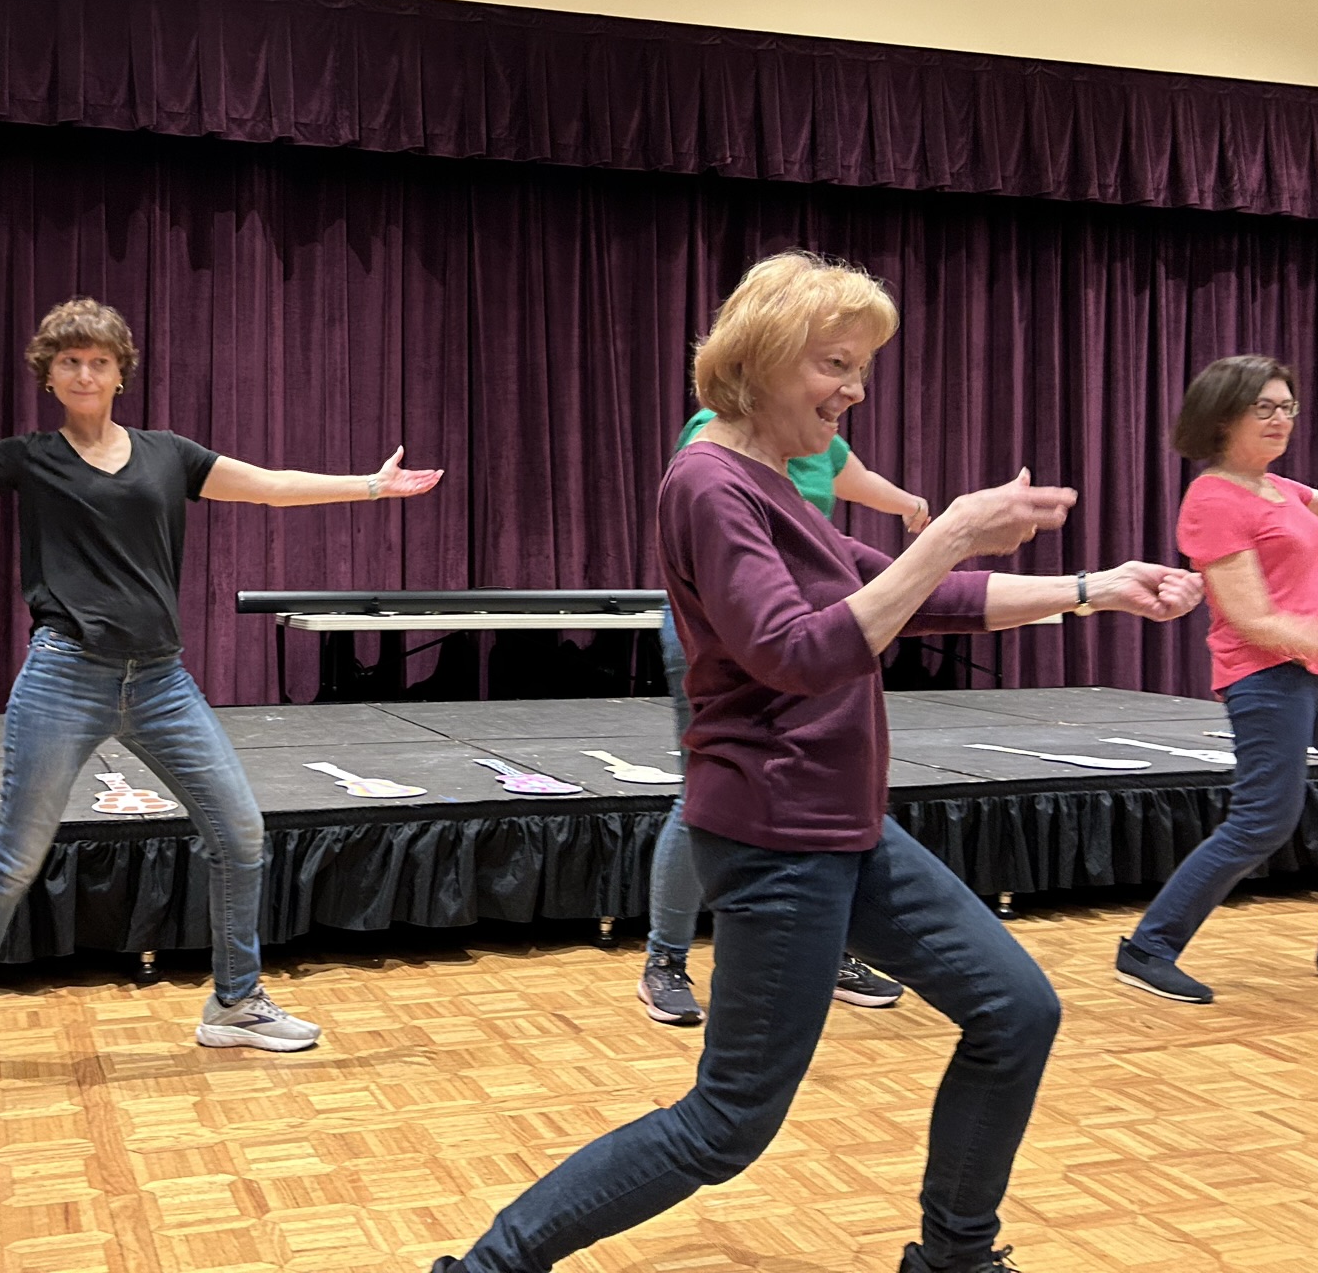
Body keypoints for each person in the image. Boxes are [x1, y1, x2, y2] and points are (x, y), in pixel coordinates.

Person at [429, 251, 1203, 1273]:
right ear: (757, 358)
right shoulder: (707, 484)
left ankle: (954, 1259)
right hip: (774, 836)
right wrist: (950, 538)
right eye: (834, 363)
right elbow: (794, 653)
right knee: (725, 1123)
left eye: (862, 370)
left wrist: (1095, 586)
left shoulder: (773, 487)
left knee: (1014, 1012)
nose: (852, 390)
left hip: (841, 826)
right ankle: (483, 1269)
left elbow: (927, 599)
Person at [0, 302, 442, 1090]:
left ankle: (235, 1005)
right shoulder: (29, 457)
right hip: (64, 674)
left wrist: (372, 488)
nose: (85, 373)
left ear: (120, 372)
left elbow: (271, 488)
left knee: (242, 835)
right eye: (70, 362)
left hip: (160, 681)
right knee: (15, 856)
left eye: (99, 362)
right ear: (47, 375)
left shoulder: (166, 455)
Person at [1117, 356, 1318, 1004]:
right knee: (1264, 819)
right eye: (1266, 408)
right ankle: (1148, 947)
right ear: (1223, 416)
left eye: (1288, 407)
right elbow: (1254, 619)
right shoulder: (1212, 498)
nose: (1281, 419)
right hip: (1266, 679)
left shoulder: (1279, 490)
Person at [641, 411, 930, 1023]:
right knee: (702, 794)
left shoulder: (817, 439)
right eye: (831, 362)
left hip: (818, 631)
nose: (850, 389)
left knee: (828, 782)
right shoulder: (714, 441)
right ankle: (665, 960)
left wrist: (912, 505)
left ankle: (827, 953)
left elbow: (856, 478)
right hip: (728, 637)